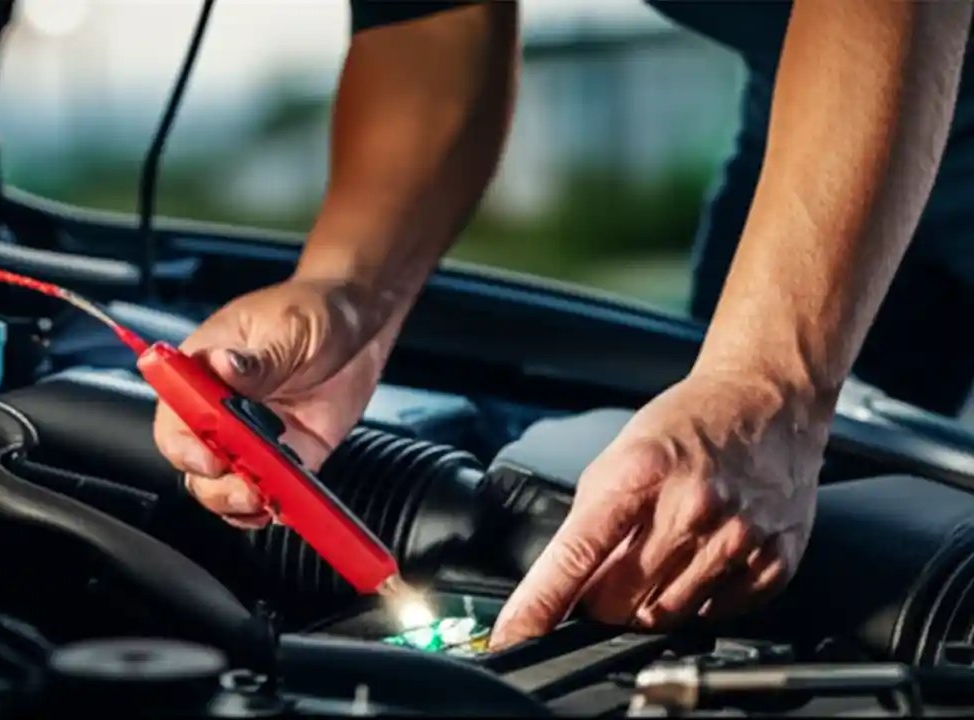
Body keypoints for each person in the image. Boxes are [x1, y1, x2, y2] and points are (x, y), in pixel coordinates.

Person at [151, 0, 974, 650]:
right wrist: (348, 291)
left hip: (883, 58)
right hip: (815, 100)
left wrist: (766, 385)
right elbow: (433, 23)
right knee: (715, 526)